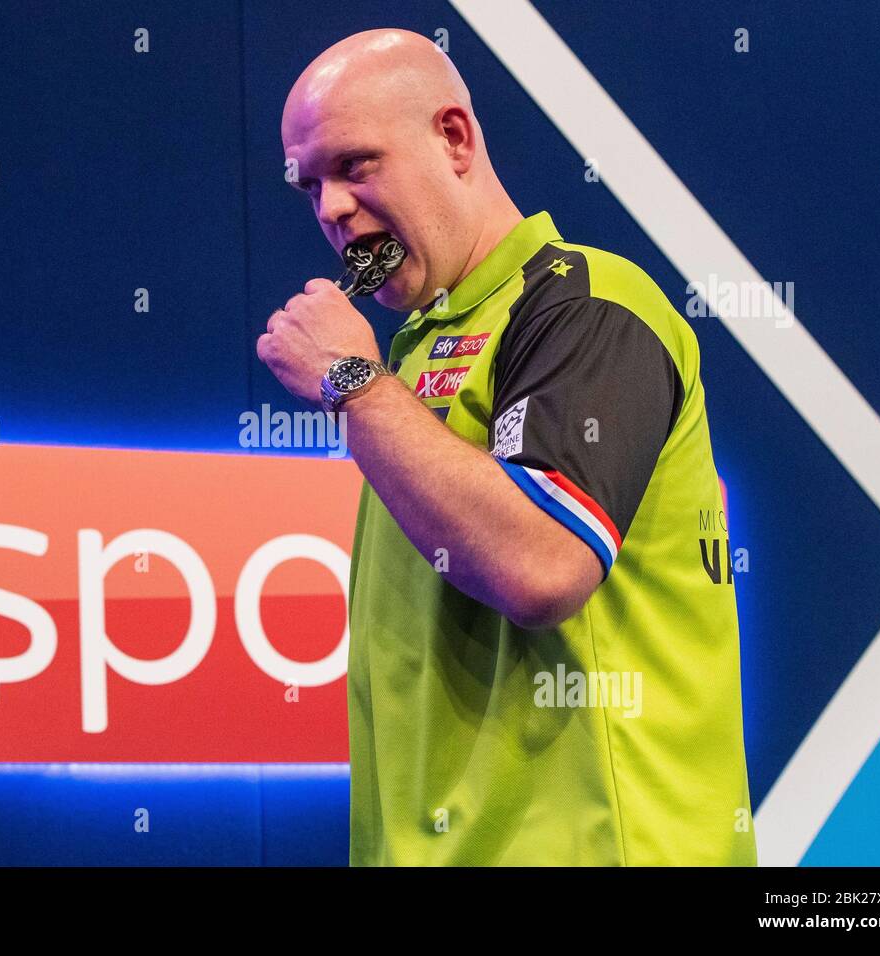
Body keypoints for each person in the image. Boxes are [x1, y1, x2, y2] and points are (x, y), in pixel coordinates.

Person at [258, 28, 756, 866]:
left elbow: (542, 564)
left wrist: (350, 377)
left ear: (453, 138)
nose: (331, 208)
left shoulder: (590, 307)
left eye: (355, 166)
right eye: (310, 184)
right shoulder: (413, 354)